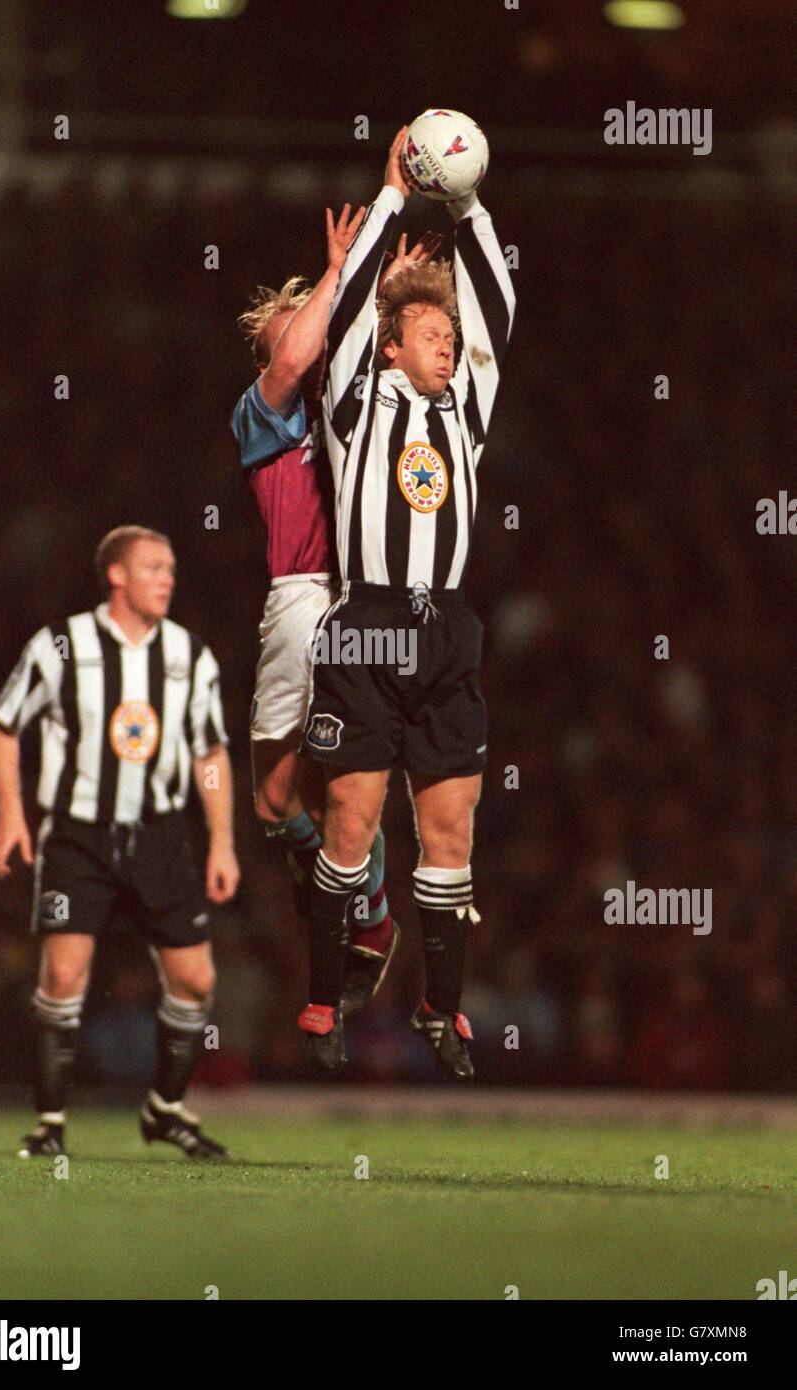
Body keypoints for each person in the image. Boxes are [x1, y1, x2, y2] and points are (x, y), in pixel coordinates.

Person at [298, 128, 516, 1078]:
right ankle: (321, 1004)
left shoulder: (464, 404)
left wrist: (465, 208)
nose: (448, 347)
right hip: (368, 624)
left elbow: (498, 312)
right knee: (350, 830)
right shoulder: (356, 396)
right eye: (433, 336)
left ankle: (442, 1010)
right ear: (393, 348)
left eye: (449, 340)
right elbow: (348, 313)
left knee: (451, 833)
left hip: (446, 629)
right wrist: (392, 192)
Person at [231, 212, 437, 1017]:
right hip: (297, 598)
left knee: (347, 790)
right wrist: (342, 273)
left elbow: (403, 359)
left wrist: (388, 299)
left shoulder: (362, 412)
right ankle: (349, 899)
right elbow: (293, 352)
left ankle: (370, 916)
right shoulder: (263, 418)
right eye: (301, 337)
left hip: (363, 601)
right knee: (277, 803)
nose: (314, 346)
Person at [0, 525, 239, 1159]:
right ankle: (48, 1124)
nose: (168, 578)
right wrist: (10, 814)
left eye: (172, 568)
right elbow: (3, 724)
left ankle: (165, 1110)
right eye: (154, 567)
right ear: (116, 576)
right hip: (78, 836)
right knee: (65, 972)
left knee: (196, 980)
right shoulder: (62, 645)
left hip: (159, 838)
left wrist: (222, 840)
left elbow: (210, 753)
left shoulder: (189, 655)